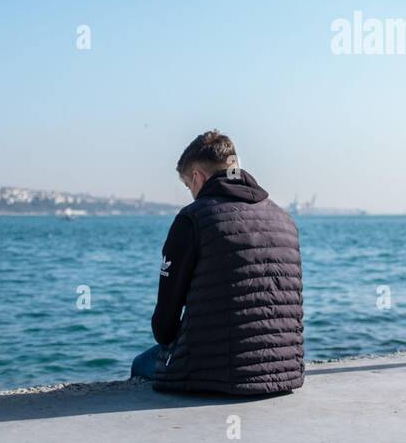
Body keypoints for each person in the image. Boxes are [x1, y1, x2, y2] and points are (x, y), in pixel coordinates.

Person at [130, 130, 305, 395]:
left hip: (213, 373)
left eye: (189, 186)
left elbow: (164, 325)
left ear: (197, 177)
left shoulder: (193, 219)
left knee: (141, 363)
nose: (191, 194)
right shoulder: (284, 219)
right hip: (285, 373)